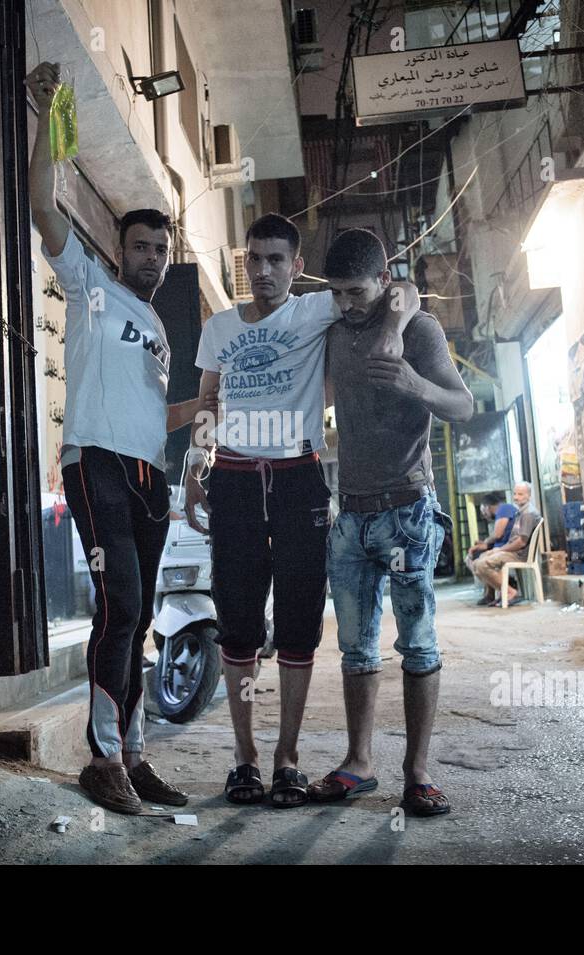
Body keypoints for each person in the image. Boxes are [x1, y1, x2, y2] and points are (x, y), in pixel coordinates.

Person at [183, 214, 420, 808]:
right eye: (254, 259)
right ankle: (245, 759)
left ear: (296, 267)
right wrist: (193, 469)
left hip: (299, 480)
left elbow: (403, 290)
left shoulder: (316, 311)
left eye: (275, 260)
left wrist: (393, 332)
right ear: (244, 262)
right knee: (236, 621)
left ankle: (287, 759)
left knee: (298, 622)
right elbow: (209, 399)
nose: (263, 271)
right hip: (234, 479)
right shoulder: (217, 327)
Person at [26, 61, 212, 814]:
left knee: (134, 619)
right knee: (122, 601)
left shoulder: (160, 324)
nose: (153, 258)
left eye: (161, 252)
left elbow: (152, 410)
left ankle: (133, 757)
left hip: (148, 476)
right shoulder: (91, 287)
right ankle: (102, 760)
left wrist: (200, 404)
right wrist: (50, 117)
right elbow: (44, 202)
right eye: (142, 247)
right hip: (97, 464)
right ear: (119, 250)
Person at [306, 228, 474, 818]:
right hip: (350, 515)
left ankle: (418, 774)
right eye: (338, 294)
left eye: (356, 291)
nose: (347, 303)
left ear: (381, 280)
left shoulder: (418, 329)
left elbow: (464, 406)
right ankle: (360, 763)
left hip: (407, 510)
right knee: (354, 650)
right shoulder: (331, 333)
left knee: (419, 647)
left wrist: (414, 382)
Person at [468, 482, 541, 606]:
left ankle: (510, 592)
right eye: (515, 494)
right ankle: (503, 592)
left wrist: (500, 550)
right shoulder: (520, 512)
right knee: (477, 562)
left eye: (521, 494)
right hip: (513, 551)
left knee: (481, 564)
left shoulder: (528, 514)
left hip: (519, 554)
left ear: (528, 496)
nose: (516, 497)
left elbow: (521, 542)